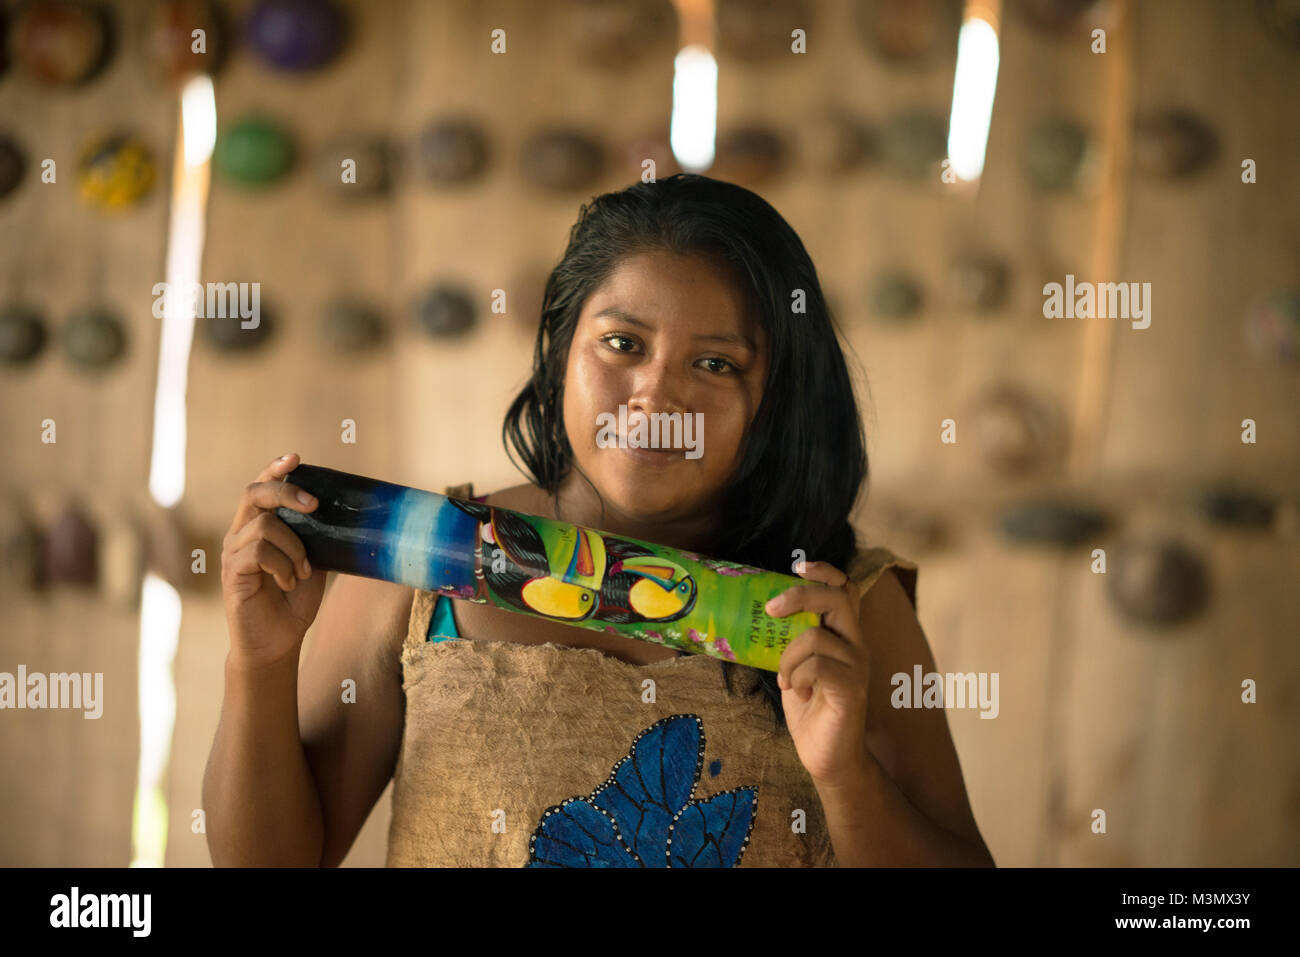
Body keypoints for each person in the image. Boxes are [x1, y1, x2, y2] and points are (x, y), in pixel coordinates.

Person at [204, 173, 994, 867]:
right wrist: (260, 663)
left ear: (774, 398)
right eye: (622, 342)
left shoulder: (841, 611)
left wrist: (845, 776)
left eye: (715, 363)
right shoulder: (418, 570)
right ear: (559, 351)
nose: (656, 395)